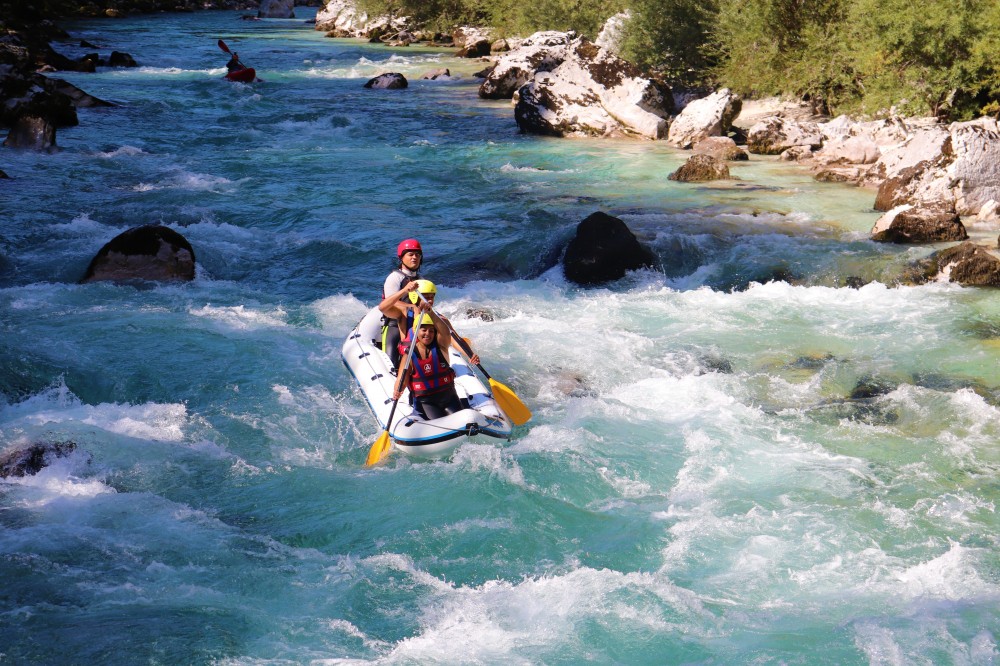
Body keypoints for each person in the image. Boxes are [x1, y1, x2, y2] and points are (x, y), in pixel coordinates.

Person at [378, 279, 478, 369]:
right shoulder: (405, 313)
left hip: (432, 365)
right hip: (411, 366)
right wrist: (404, 291)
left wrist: (470, 355)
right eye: (425, 297)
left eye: (431, 297)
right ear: (415, 297)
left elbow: (456, 339)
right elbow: (382, 307)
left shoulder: (440, 319)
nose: (430, 300)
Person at [392, 306, 465, 420]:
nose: (428, 334)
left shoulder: (441, 347)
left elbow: (445, 333)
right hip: (426, 402)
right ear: (416, 331)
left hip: (449, 397)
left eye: (431, 330)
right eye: (424, 330)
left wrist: (431, 313)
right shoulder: (409, 355)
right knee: (441, 424)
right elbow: (402, 379)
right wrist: (397, 390)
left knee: (461, 421)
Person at [380, 238, 423, 359]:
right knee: (391, 362)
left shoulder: (421, 279)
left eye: (417, 255)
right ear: (402, 257)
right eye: (410, 254)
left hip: (416, 325)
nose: (415, 257)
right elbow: (390, 303)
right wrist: (411, 307)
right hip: (394, 325)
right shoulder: (394, 277)